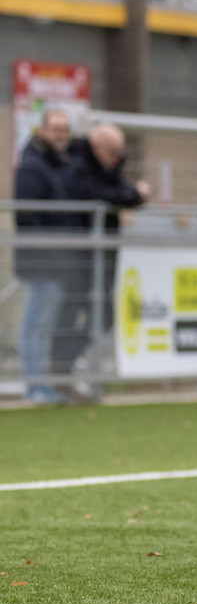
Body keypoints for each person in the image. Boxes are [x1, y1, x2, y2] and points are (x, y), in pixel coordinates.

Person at [53, 122, 151, 371]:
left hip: (99, 257)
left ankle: (62, 364)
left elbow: (116, 189)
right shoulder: (78, 165)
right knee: (74, 311)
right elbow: (99, 194)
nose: (117, 159)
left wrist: (130, 193)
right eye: (113, 152)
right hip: (76, 257)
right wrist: (132, 194)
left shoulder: (105, 168)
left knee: (103, 314)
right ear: (96, 147)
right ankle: (59, 365)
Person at [13, 109, 78, 404]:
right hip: (41, 262)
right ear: (42, 130)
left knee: (45, 324)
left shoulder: (56, 164)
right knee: (35, 324)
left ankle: (41, 384)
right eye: (55, 128)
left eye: (64, 129)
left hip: (56, 262)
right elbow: (27, 217)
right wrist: (49, 250)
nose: (60, 134)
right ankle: (35, 386)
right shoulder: (32, 166)